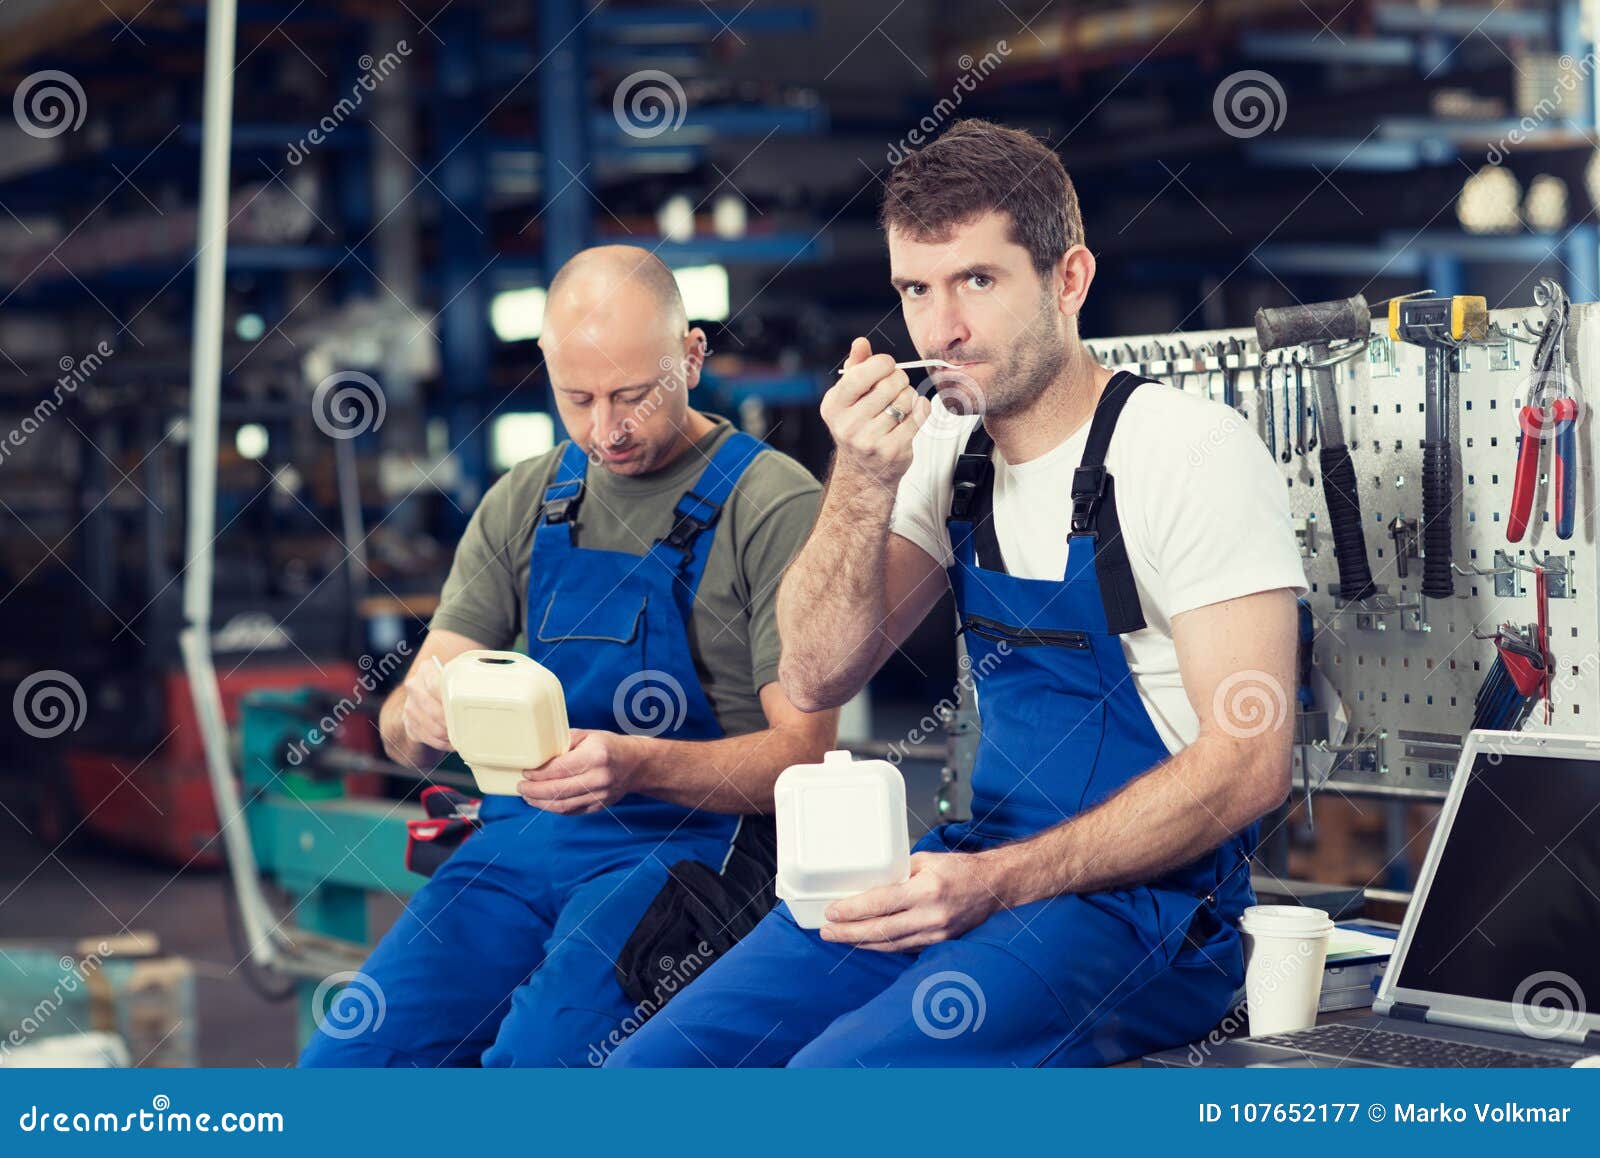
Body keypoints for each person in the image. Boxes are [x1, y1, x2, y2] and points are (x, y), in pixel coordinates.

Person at [608, 119, 1308, 1068]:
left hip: (1148, 913)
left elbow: (1250, 765)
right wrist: (859, 481)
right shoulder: (943, 449)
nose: (942, 330)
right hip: (977, 866)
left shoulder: (1188, 453)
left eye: (977, 280)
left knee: (833, 1083)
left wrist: (999, 882)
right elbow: (815, 676)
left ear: (1068, 279)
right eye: (915, 290)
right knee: (656, 1067)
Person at [300, 245, 835, 1067]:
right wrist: (420, 715)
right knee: (348, 1062)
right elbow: (405, 730)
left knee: (543, 1065)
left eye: (632, 395)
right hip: (521, 838)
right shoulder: (525, 499)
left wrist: (636, 765)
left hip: (686, 847)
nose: (604, 429)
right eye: (576, 398)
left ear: (691, 356)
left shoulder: (772, 503)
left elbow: (803, 757)